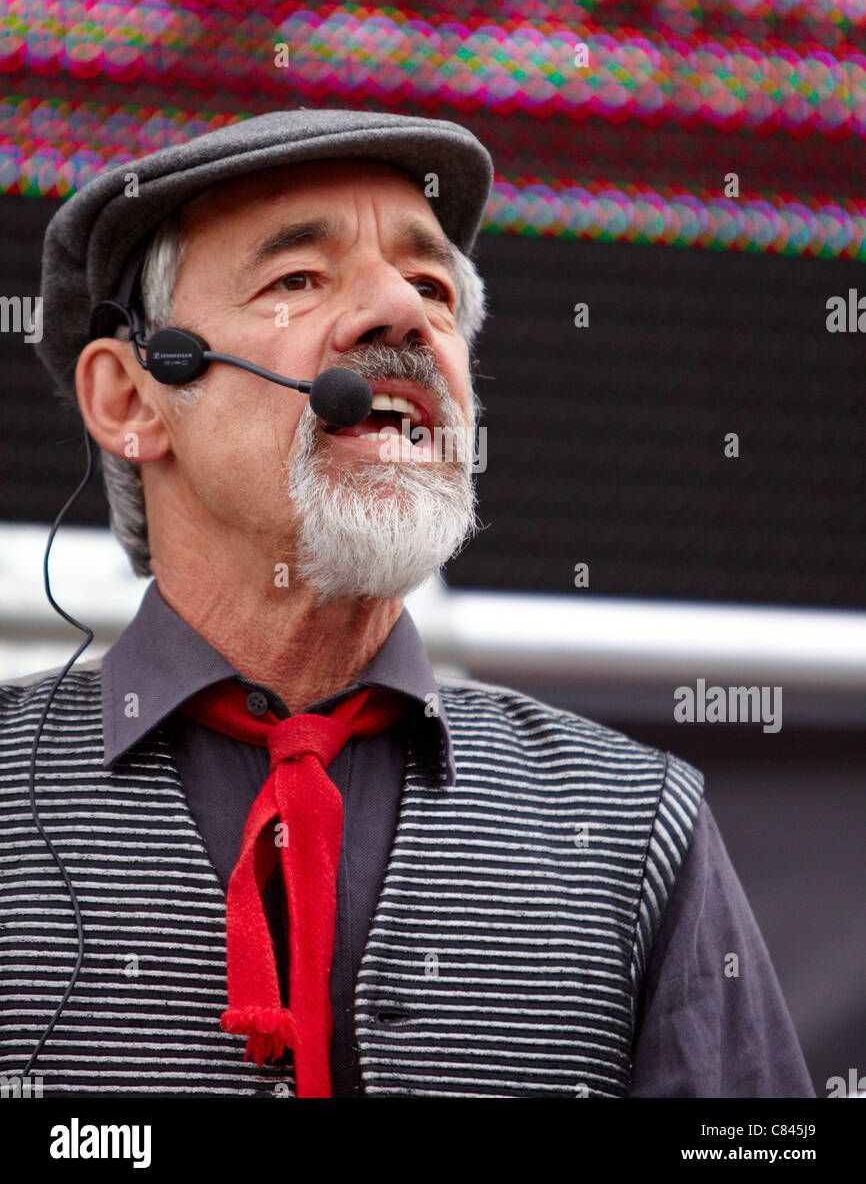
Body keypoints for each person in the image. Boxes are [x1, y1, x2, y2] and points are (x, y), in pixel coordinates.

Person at [0, 109, 814, 1097]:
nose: (400, 314)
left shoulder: (634, 824)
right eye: (297, 278)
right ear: (133, 398)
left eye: (430, 286)